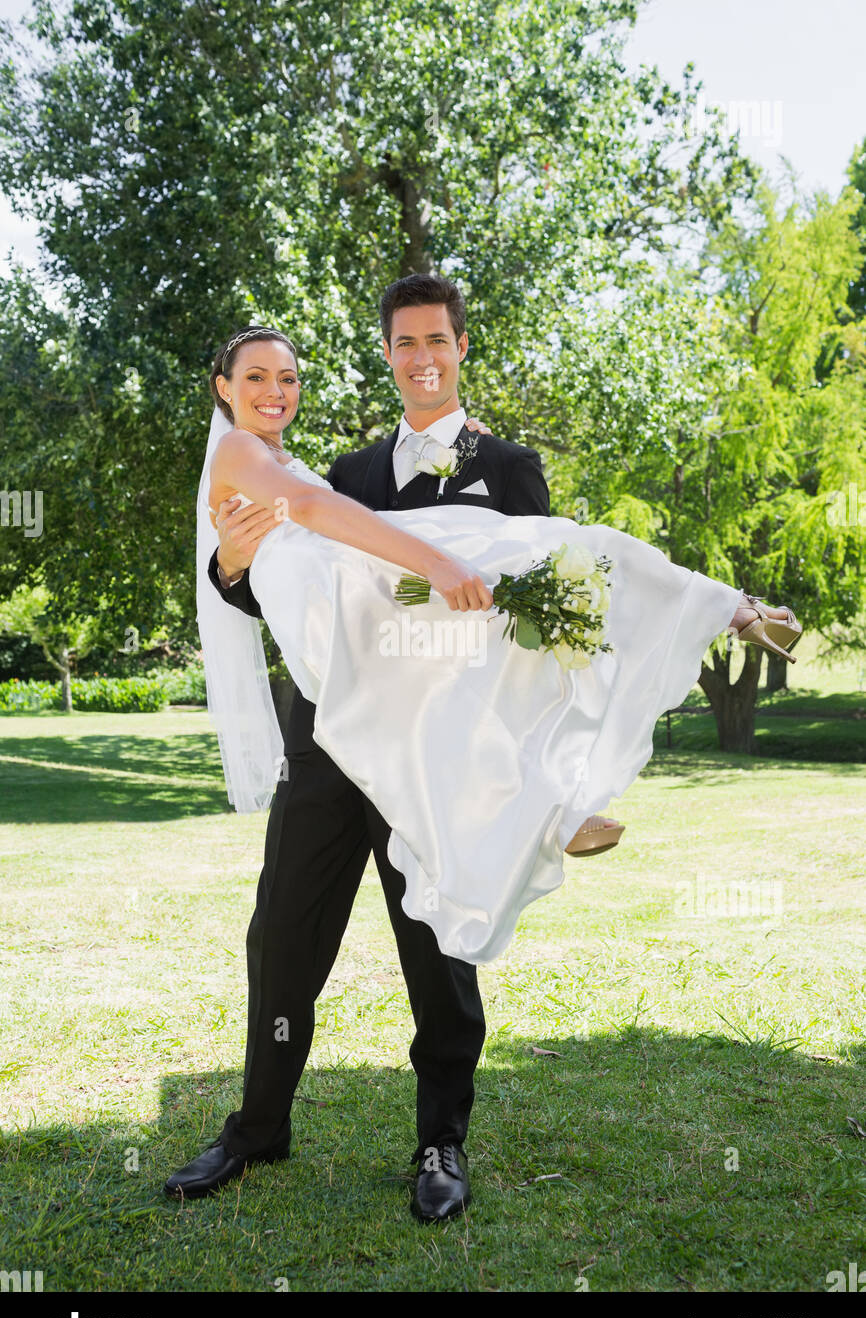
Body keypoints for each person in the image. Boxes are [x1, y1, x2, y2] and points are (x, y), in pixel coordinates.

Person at [165, 276, 800, 1220]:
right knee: (283, 936)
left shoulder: (511, 469)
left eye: (437, 340)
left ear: (461, 348)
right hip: (332, 743)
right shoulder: (339, 474)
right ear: (387, 355)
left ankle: (439, 1144)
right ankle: (257, 1130)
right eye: (403, 342)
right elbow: (278, 595)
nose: (421, 356)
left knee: (440, 946)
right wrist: (229, 562)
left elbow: (558, 617)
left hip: (447, 759)